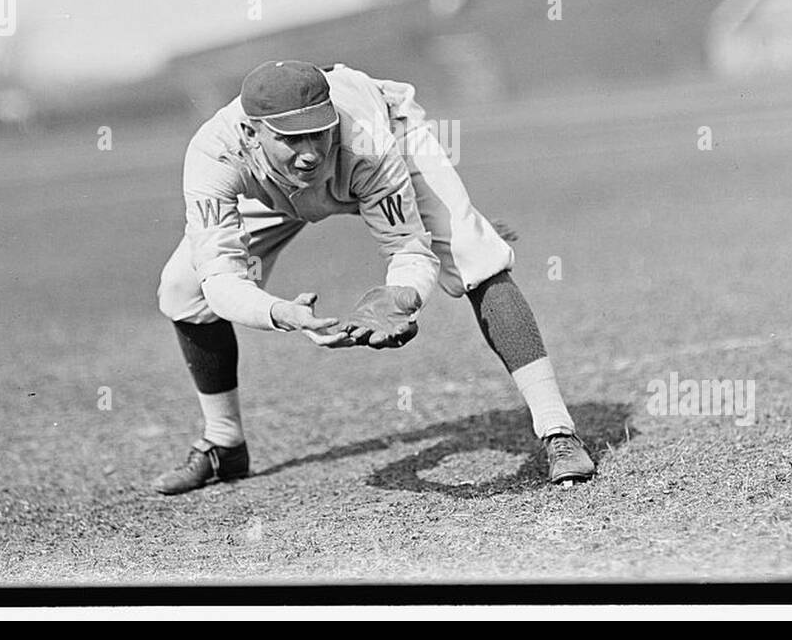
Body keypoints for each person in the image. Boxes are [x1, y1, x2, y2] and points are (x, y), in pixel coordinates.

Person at [153, 59, 595, 493]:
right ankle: (224, 442)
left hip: (384, 143)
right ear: (251, 133)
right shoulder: (214, 153)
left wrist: (400, 295)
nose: (310, 152)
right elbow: (220, 282)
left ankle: (558, 431)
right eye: (292, 138)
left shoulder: (363, 138)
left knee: (473, 253)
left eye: (318, 131)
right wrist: (282, 314)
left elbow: (407, 249)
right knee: (182, 288)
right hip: (268, 189)